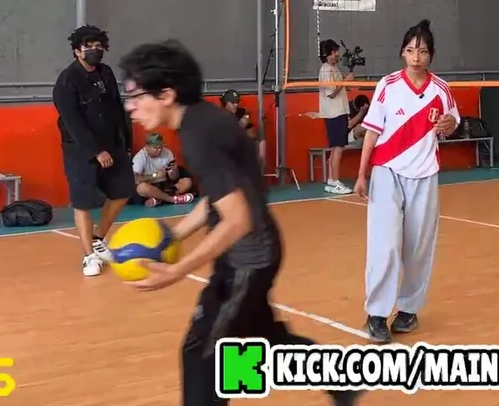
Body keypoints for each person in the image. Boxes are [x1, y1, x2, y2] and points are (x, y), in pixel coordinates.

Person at [116, 39, 363, 406]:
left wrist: (178, 270)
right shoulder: (202, 120)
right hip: (253, 251)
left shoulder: (199, 135)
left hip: (248, 258)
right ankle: (341, 381)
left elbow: (237, 218)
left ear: (166, 94)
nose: (130, 106)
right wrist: (175, 234)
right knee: (261, 339)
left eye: (136, 96)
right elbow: (221, 197)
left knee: (204, 354)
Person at [353, 20, 458, 344]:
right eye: (411, 50)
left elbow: (453, 120)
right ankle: (376, 314)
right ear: (402, 52)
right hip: (387, 172)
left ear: (431, 55)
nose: (416, 57)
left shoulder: (441, 89)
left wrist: (449, 124)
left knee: (418, 247)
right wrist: (362, 173)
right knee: (384, 245)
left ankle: (409, 310)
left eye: (422, 51)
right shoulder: (387, 85)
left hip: (424, 176)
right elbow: (372, 132)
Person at [52, 25, 134, 276]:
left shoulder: (106, 73)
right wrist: (96, 150)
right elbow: (72, 121)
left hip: (113, 144)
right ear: (77, 51)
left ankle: (98, 239)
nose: (94, 50)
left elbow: (116, 108)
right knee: (83, 202)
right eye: (88, 46)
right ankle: (89, 256)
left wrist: (125, 143)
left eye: (98, 46)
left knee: (123, 191)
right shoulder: (67, 81)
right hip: (80, 150)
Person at [318, 39, 353, 194]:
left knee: (337, 148)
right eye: (333, 52)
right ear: (327, 54)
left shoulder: (334, 68)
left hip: (340, 111)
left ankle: (332, 180)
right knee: (338, 148)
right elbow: (331, 93)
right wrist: (345, 81)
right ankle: (336, 181)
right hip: (334, 113)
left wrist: (346, 82)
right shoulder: (326, 70)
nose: (337, 54)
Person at [131, 133, 196, 206]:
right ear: (147, 147)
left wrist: (174, 170)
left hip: (165, 185)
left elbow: (173, 178)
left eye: (161, 147)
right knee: (141, 188)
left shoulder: (167, 152)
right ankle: (172, 199)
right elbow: (135, 180)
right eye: (156, 148)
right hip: (151, 186)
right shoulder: (140, 157)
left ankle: (160, 199)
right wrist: (155, 175)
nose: (159, 150)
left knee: (187, 182)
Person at [220, 89, 266, 164]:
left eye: (237, 102)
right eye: (233, 102)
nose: (236, 105)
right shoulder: (219, 115)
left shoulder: (242, 112)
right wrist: (240, 126)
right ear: (225, 103)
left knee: (261, 143)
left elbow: (253, 135)